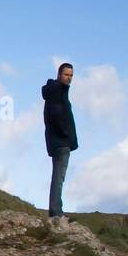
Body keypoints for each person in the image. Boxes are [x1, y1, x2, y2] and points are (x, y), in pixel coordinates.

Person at [42, 63, 78, 221]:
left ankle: (55, 209)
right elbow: (55, 114)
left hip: (57, 141)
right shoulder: (57, 91)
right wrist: (65, 133)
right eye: (66, 74)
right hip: (61, 142)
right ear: (59, 74)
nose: (69, 78)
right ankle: (56, 211)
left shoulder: (55, 91)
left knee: (58, 176)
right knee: (59, 176)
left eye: (71, 75)